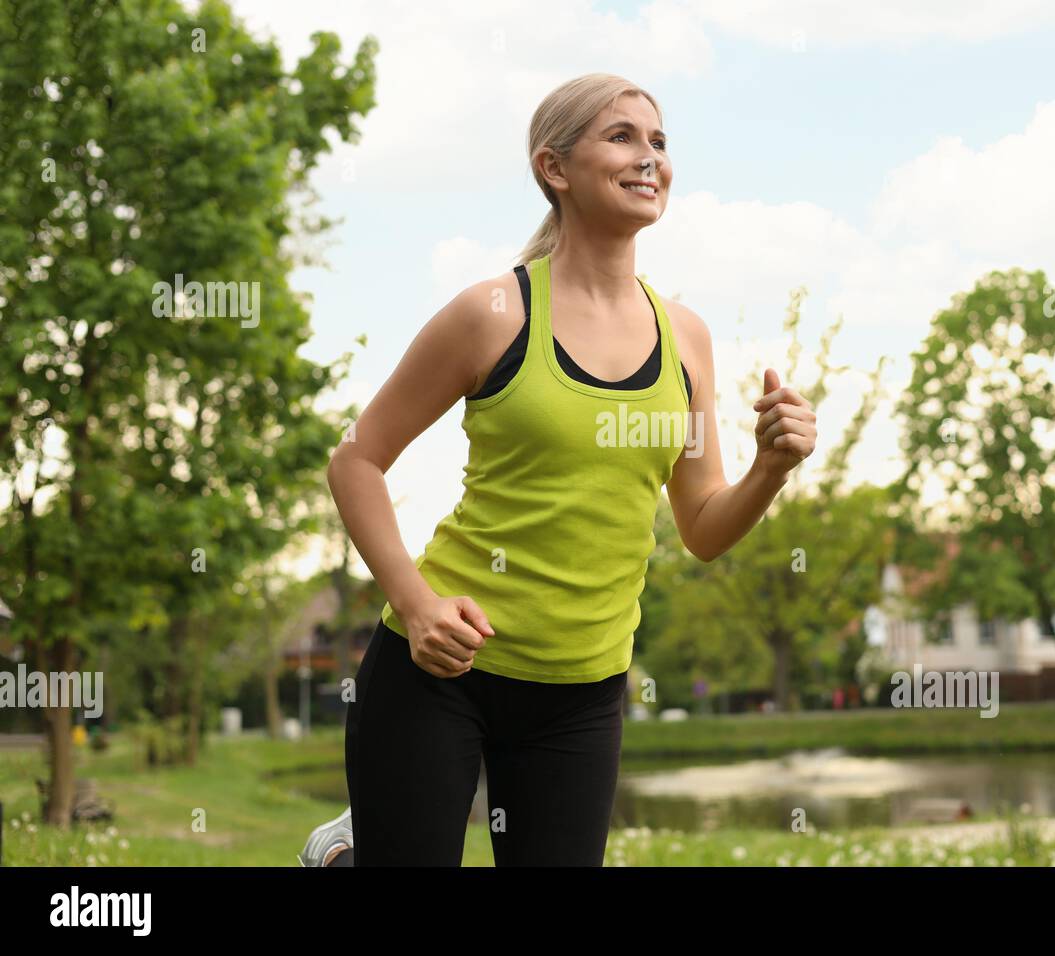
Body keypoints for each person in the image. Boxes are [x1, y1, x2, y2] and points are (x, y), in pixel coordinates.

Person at [326, 72, 817, 866]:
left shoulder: (685, 336)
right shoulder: (494, 315)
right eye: (622, 136)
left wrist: (770, 468)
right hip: (441, 674)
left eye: (659, 141)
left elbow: (700, 527)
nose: (649, 156)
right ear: (554, 168)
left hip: (582, 696)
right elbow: (357, 460)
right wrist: (415, 607)